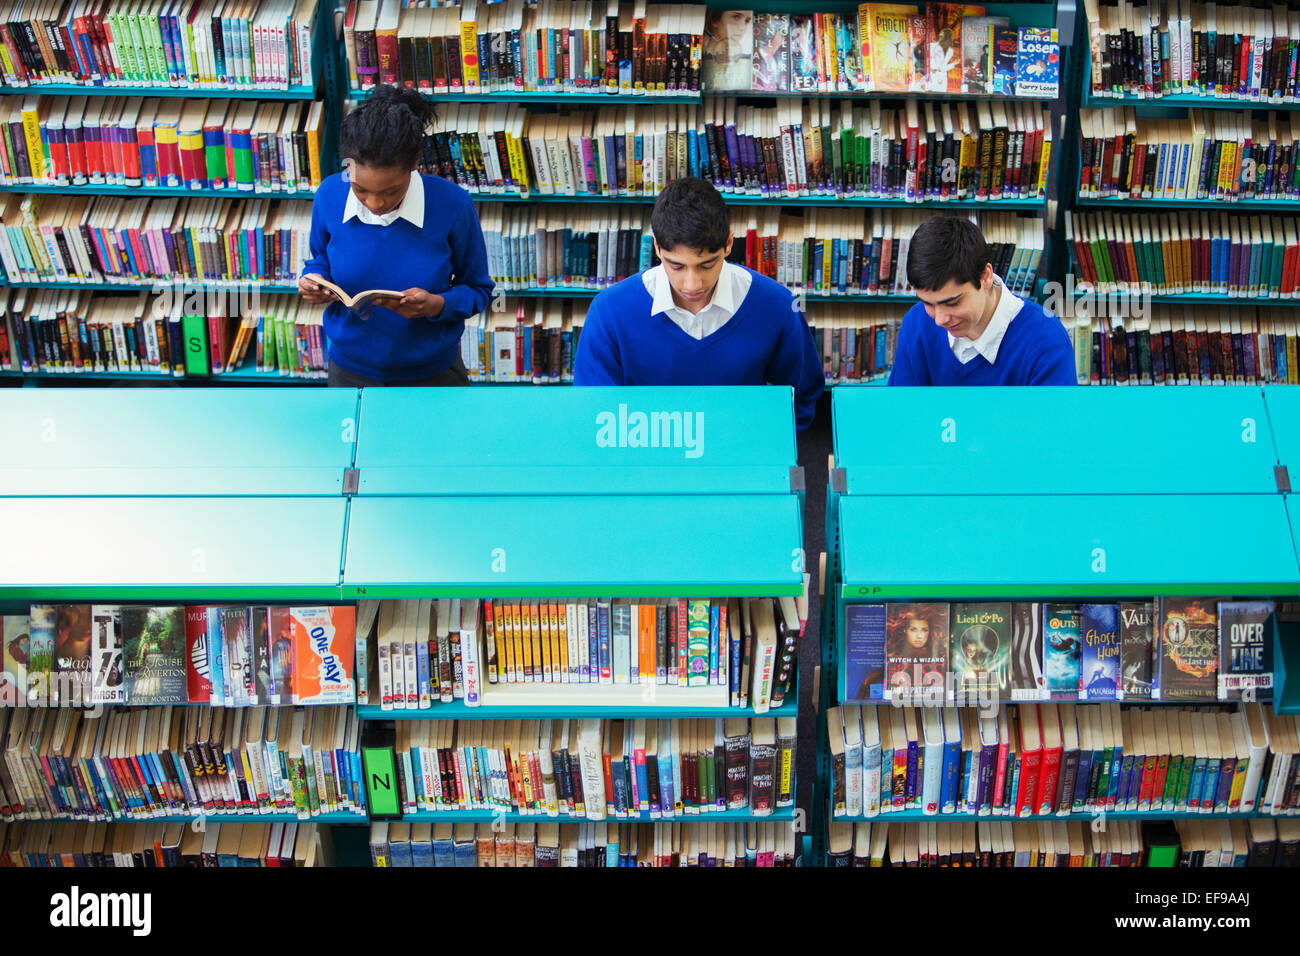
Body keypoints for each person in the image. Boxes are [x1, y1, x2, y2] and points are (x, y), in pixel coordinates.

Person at [573, 177, 824, 430]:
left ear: (728, 243)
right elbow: (596, 413)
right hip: (646, 457)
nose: (692, 285)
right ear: (657, 248)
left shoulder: (778, 305)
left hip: (741, 455)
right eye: (676, 266)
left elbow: (800, 398)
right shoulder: (609, 311)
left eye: (706, 265)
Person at [299, 85, 494, 386]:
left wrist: (438, 305)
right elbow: (320, 260)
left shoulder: (452, 205)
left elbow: (479, 291)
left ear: (414, 165)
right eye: (360, 190)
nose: (376, 205)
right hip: (349, 371)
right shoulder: (329, 195)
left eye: (390, 191)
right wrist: (313, 280)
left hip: (433, 375)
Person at [888, 215, 1076, 385]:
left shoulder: (1047, 343)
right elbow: (903, 413)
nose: (939, 319)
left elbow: (1052, 422)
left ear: (986, 277)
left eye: (953, 303)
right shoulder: (917, 322)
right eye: (928, 303)